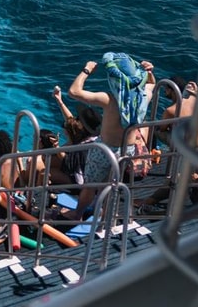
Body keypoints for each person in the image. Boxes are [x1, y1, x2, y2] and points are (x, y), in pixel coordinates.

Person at [66, 52, 157, 215]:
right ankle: (104, 219)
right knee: (112, 186)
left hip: (105, 150)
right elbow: (151, 84)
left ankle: (77, 214)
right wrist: (148, 72)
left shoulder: (109, 100)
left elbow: (74, 92)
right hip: (126, 151)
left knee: (90, 187)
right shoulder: (143, 97)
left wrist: (86, 70)